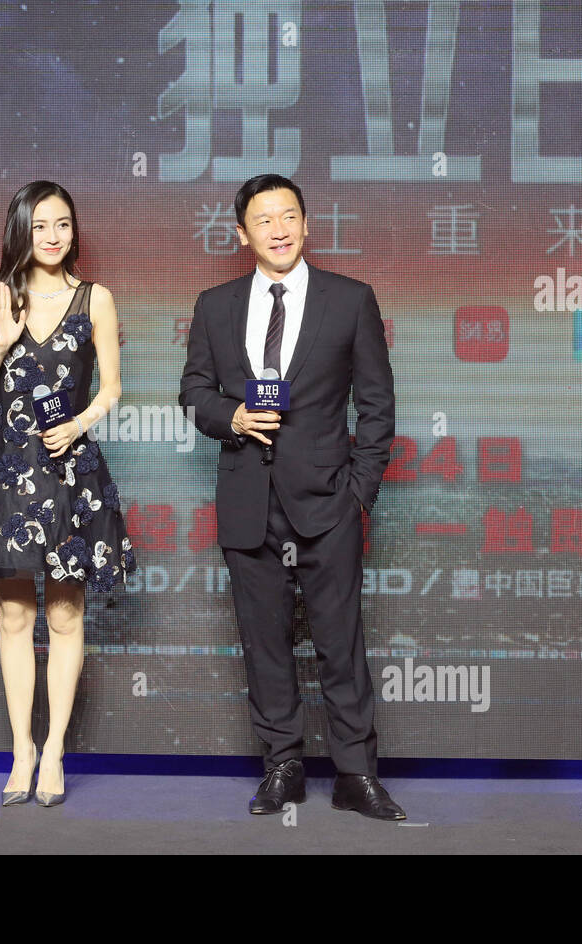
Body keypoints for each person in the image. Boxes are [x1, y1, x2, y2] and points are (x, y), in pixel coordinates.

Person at [179, 173, 404, 820]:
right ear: (241, 233)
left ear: (306, 225)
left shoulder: (350, 300)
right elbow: (193, 392)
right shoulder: (215, 305)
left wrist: (357, 493)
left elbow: (378, 406)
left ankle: (357, 774)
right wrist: (235, 419)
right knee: (265, 643)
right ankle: (283, 768)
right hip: (249, 499)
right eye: (263, 219)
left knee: (341, 642)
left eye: (288, 216)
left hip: (328, 502)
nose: (277, 228)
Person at [0, 180, 135, 807]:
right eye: (41, 224)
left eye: (63, 224)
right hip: (6, 474)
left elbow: (112, 390)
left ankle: (55, 752)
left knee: (66, 616)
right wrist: (4, 338)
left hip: (69, 472)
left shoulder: (95, 299)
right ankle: (21, 750)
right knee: (14, 616)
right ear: (21, 229)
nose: (53, 235)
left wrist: (79, 423)